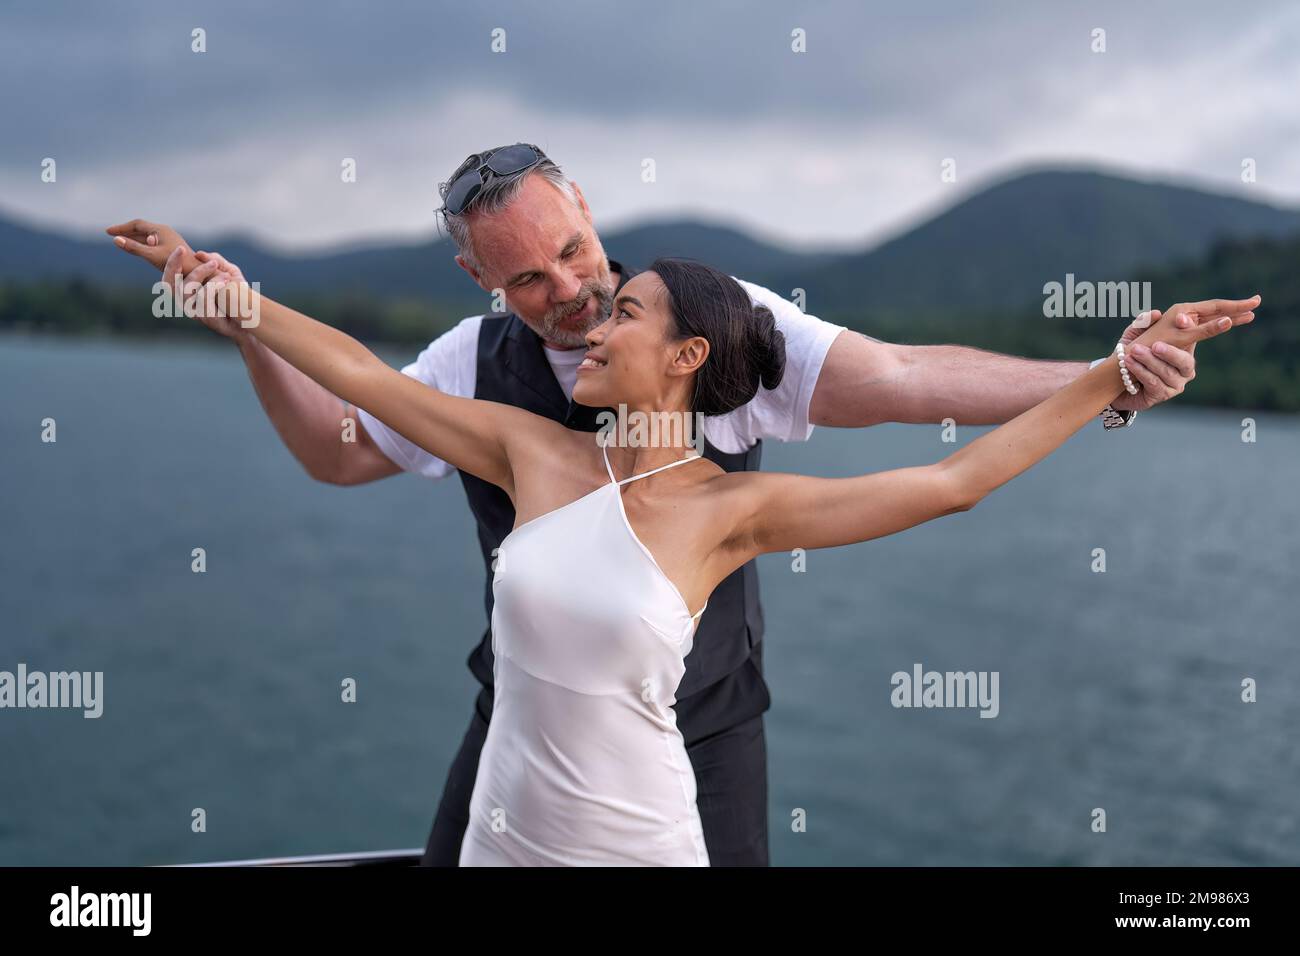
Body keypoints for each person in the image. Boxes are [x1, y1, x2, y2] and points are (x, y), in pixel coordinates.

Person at [106, 143, 1257, 865]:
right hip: (516, 731)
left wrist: (1108, 380)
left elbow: (921, 407)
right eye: (531, 283)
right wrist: (240, 309)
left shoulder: (730, 355)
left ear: (686, 348)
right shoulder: (506, 415)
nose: (577, 302)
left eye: (582, 261)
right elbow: (347, 419)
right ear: (483, 283)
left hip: (697, 741)